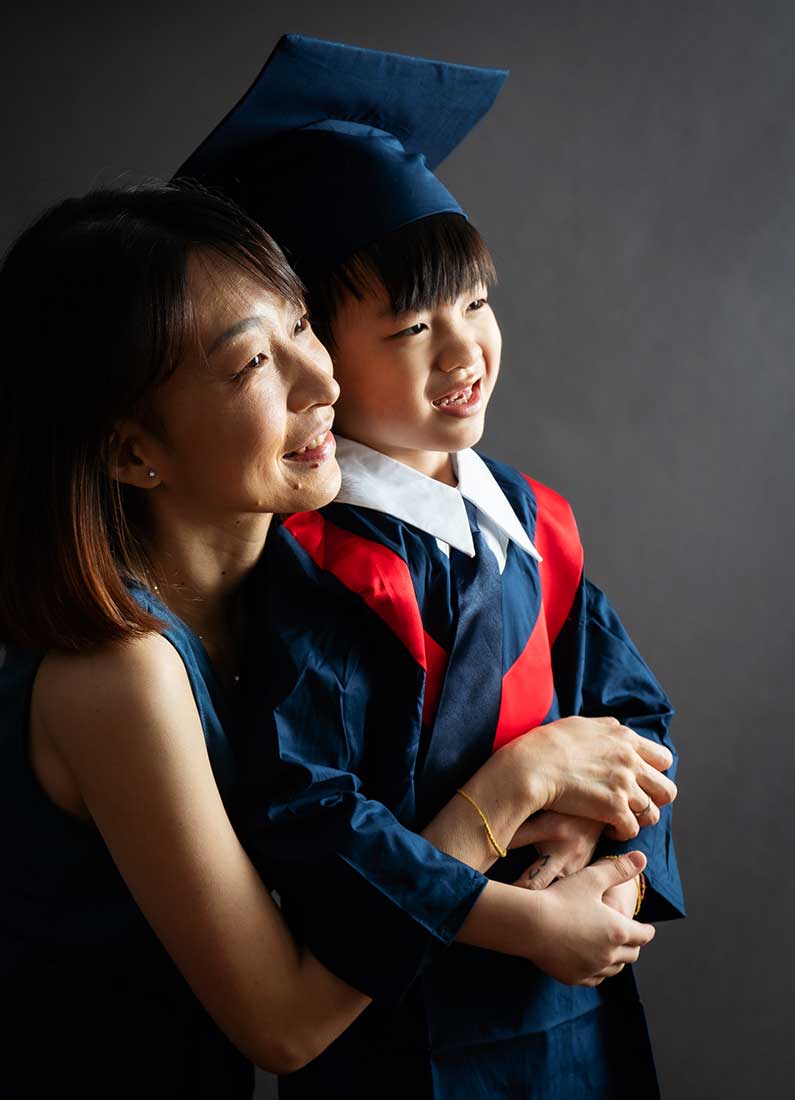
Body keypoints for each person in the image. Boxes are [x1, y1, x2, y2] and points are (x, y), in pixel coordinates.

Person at [0, 183, 674, 1100]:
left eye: (304, 327)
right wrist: (516, 788)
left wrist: (606, 865)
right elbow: (285, 1022)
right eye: (250, 367)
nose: (322, 382)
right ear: (130, 454)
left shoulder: (315, 593)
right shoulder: (121, 673)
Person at [178, 34, 685, 1098]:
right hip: (411, 1033)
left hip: (576, 1009)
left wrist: (613, 863)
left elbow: (633, 713)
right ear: (313, 347)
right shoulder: (317, 562)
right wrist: (523, 918)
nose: (462, 354)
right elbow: (314, 816)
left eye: (476, 306)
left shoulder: (532, 520)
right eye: (411, 326)